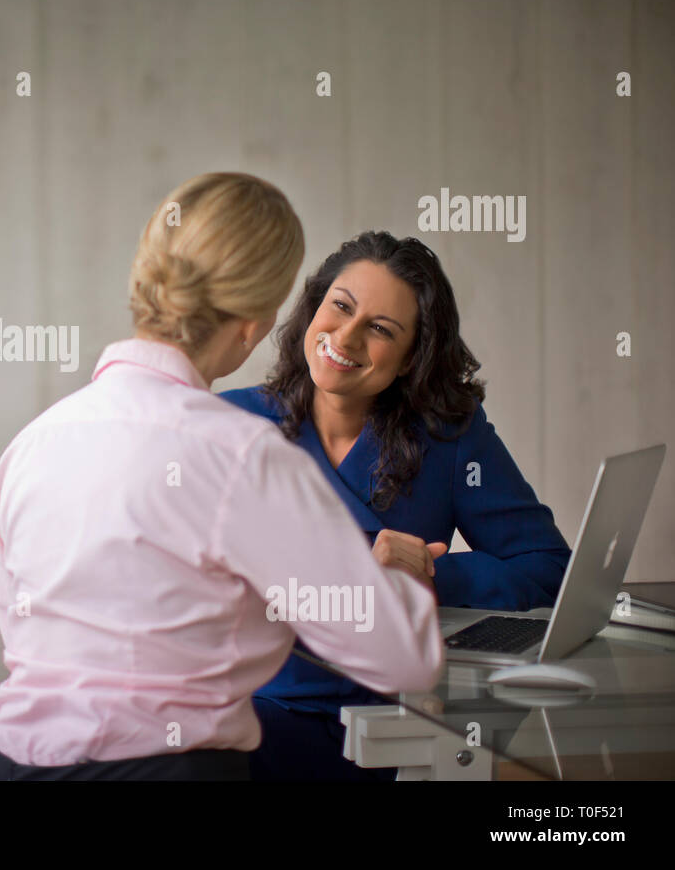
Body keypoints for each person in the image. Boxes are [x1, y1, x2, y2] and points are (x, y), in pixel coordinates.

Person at [0, 174, 443, 781]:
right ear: (253, 323)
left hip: (9, 766)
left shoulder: (33, 443)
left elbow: (24, 627)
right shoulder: (244, 456)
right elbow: (405, 662)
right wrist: (394, 582)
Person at [221, 231, 571, 781]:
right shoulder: (224, 424)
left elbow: (549, 567)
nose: (346, 336)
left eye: (381, 329)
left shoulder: (450, 439)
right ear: (315, 306)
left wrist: (425, 576)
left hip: (386, 727)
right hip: (242, 719)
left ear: (412, 358)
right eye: (340, 306)